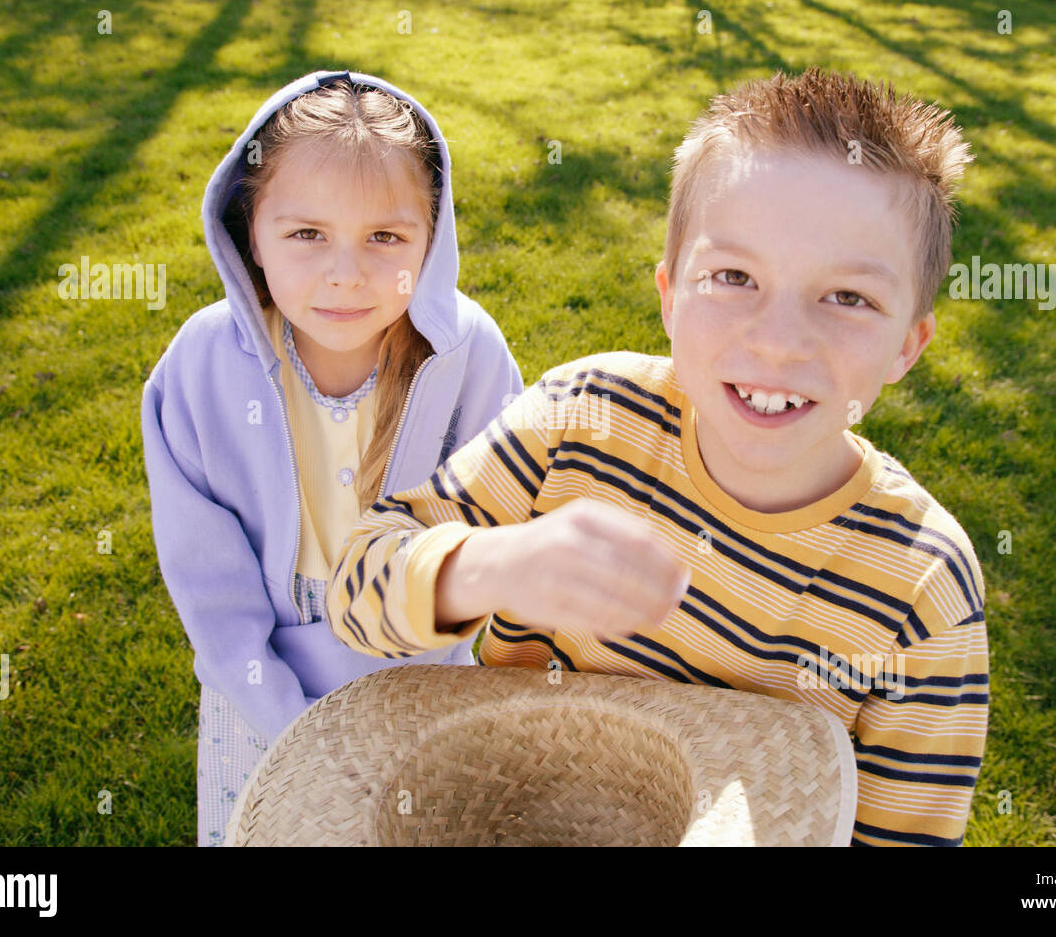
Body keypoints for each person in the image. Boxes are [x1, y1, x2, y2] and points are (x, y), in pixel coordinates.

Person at [329, 69, 988, 846]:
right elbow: (357, 586)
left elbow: (899, 836)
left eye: (848, 298)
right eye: (733, 277)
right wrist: (490, 564)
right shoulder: (583, 419)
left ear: (907, 345)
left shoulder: (920, 590)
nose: (778, 340)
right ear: (670, 293)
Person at [140, 70, 523, 846]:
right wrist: (288, 725)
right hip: (256, 693)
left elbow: (499, 527)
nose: (347, 272)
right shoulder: (200, 366)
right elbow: (212, 590)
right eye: (307, 234)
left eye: (385, 237)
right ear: (251, 231)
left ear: (433, 237)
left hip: (423, 685)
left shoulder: (466, 355)